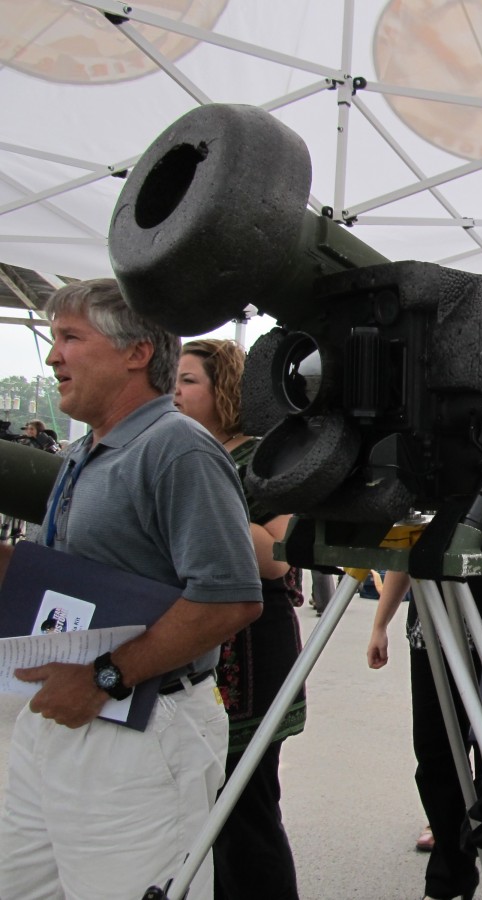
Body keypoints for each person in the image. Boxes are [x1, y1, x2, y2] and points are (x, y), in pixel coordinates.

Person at [0, 278, 262, 899]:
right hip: (60, 718)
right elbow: (71, 571)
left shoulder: (177, 449)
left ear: (137, 352)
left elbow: (230, 597)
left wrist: (102, 679)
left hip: (139, 725)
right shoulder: (86, 450)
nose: (52, 355)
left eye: (70, 337)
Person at [175, 338, 308, 898]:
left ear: (222, 389)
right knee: (206, 812)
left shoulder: (266, 457)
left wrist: (204, 496)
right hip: (196, 643)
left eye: (187, 381)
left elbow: (277, 556)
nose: (172, 391)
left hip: (252, 648)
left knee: (244, 808)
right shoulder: (178, 451)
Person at [367, 469, 482, 900]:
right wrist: (380, 624)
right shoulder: (420, 483)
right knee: (435, 758)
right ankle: (451, 873)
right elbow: (401, 559)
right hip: (433, 640)